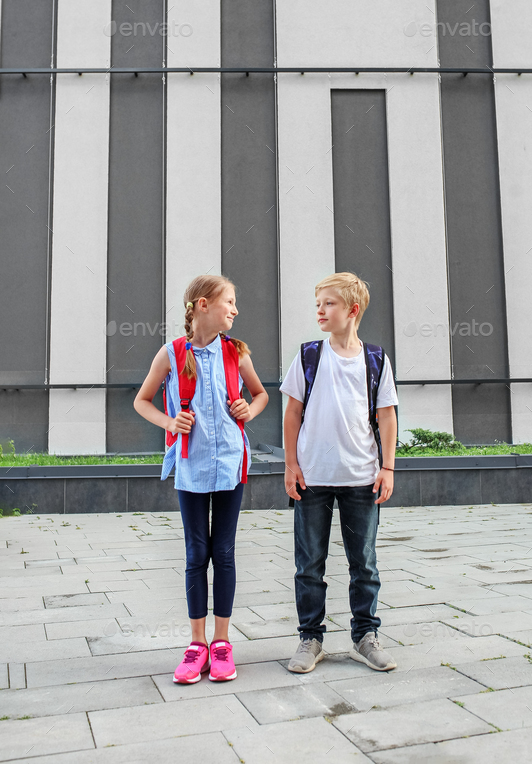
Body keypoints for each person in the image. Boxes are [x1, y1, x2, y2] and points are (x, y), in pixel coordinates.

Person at [134, 274, 268, 683]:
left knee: (223, 552)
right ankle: (197, 645)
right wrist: (169, 422)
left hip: (230, 465)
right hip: (191, 468)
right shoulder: (171, 354)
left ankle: (222, 643)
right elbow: (142, 401)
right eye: (230, 301)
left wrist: (249, 409)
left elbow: (261, 394)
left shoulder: (237, 352)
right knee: (196, 554)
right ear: (204, 305)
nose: (235, 310)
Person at [280, 272, 398, 673]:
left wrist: (387, 468)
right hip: (312, 478)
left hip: (362, 478)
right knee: (309, 565)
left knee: (364, 564)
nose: (320, 310)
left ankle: (365, 636)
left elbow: (386, 416)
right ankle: (310, 638)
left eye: (328, 303)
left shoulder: (375, 359)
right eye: (318, 304)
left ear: (352, 310)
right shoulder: (309, 356)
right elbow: (292, 413)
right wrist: (291, 465)